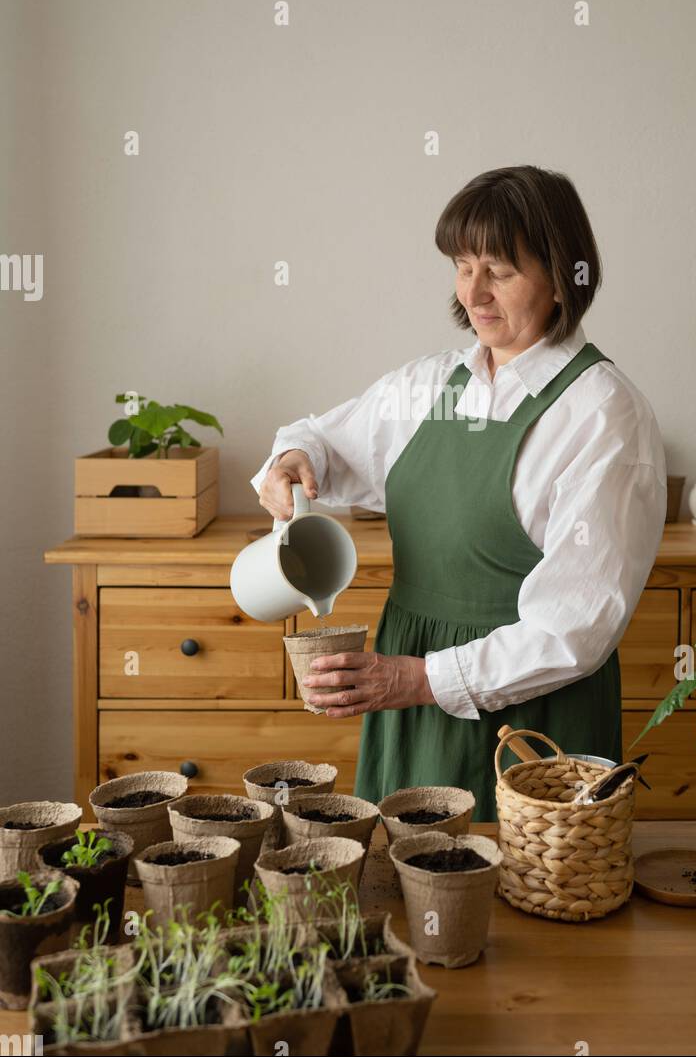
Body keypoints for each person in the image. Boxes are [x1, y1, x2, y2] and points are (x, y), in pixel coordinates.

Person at [251, 164, 667, 820]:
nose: (474, 291)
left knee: (531, 898)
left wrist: (418, 678)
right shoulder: (432, 385)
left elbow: (575, 630)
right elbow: (321, 441)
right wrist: (292, 461)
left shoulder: (603, 414)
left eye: (499, 269)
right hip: (408, 706)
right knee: (403, 894)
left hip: (532, 726)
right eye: (462, 265)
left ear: (562, 276)